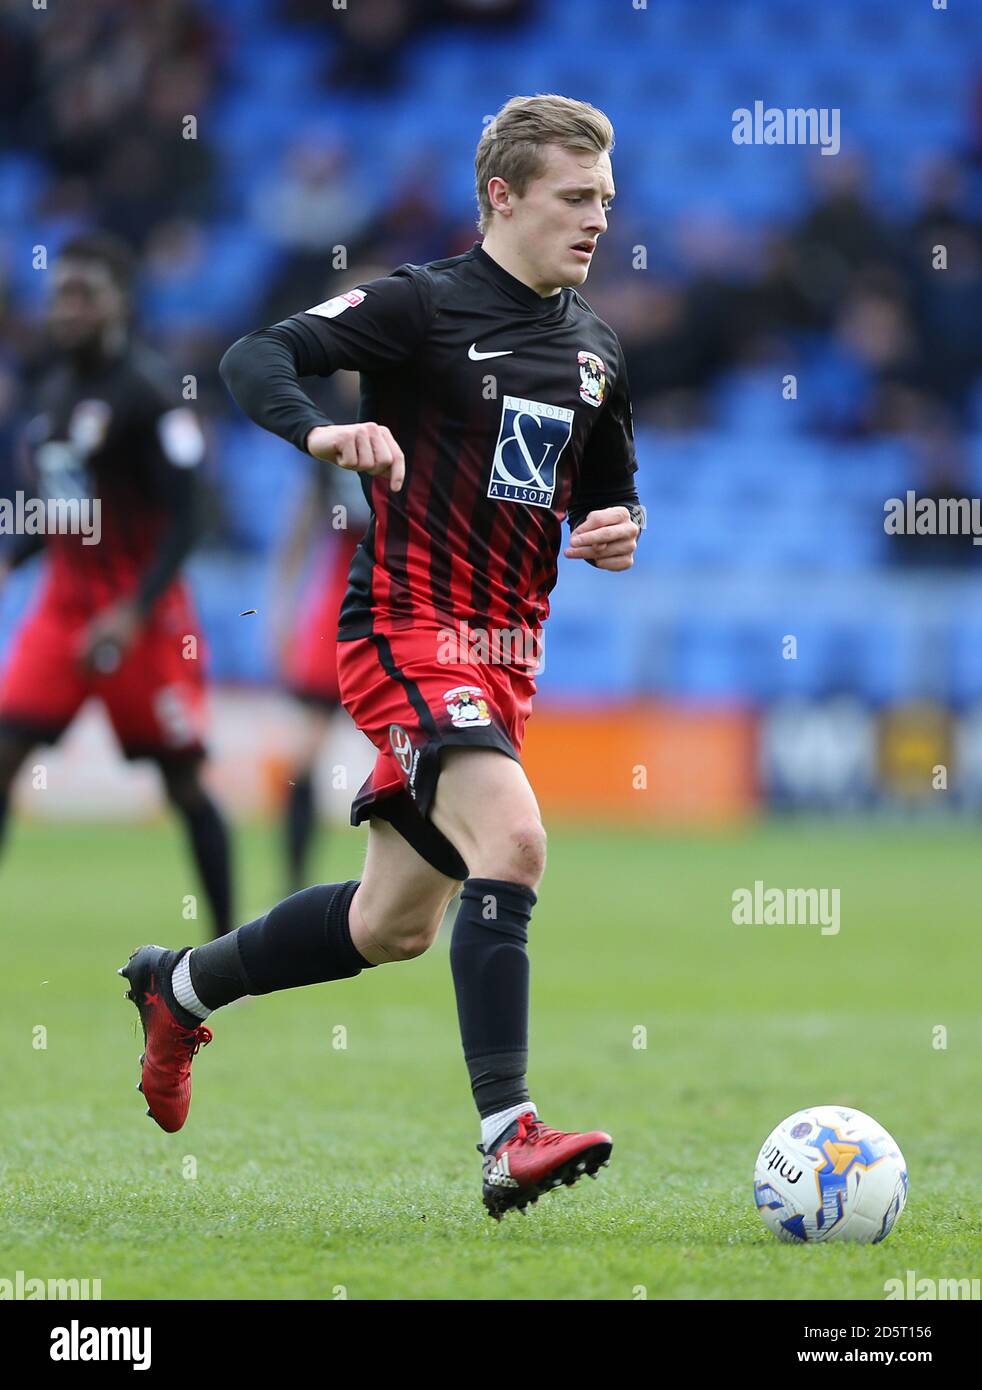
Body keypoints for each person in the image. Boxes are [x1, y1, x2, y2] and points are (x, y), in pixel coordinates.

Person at [120, 95, 644, 1219]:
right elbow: (259, 353)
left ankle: (181, 985)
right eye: (573, 197)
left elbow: (606, 491)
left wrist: (616, 530)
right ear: (501, 195)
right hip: (407, 632)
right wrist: (319, 428)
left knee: (391, 925)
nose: (598, 219)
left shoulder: (597, 346)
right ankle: (509, 1137)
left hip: (505, 657)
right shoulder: (422, 305)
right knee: (514, 837)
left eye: (605, 198)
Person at [0, 233, 232, 939]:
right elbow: (62, 508)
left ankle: (230, 948)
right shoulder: (51, 394)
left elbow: (193, 512)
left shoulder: (154, 394)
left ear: (118, 304)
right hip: (63, 607)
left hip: (143, 615)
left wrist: (133, 611)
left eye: (82, 296)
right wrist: (12, 557)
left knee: (184, 783)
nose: (65, 310)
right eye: (59, 295)